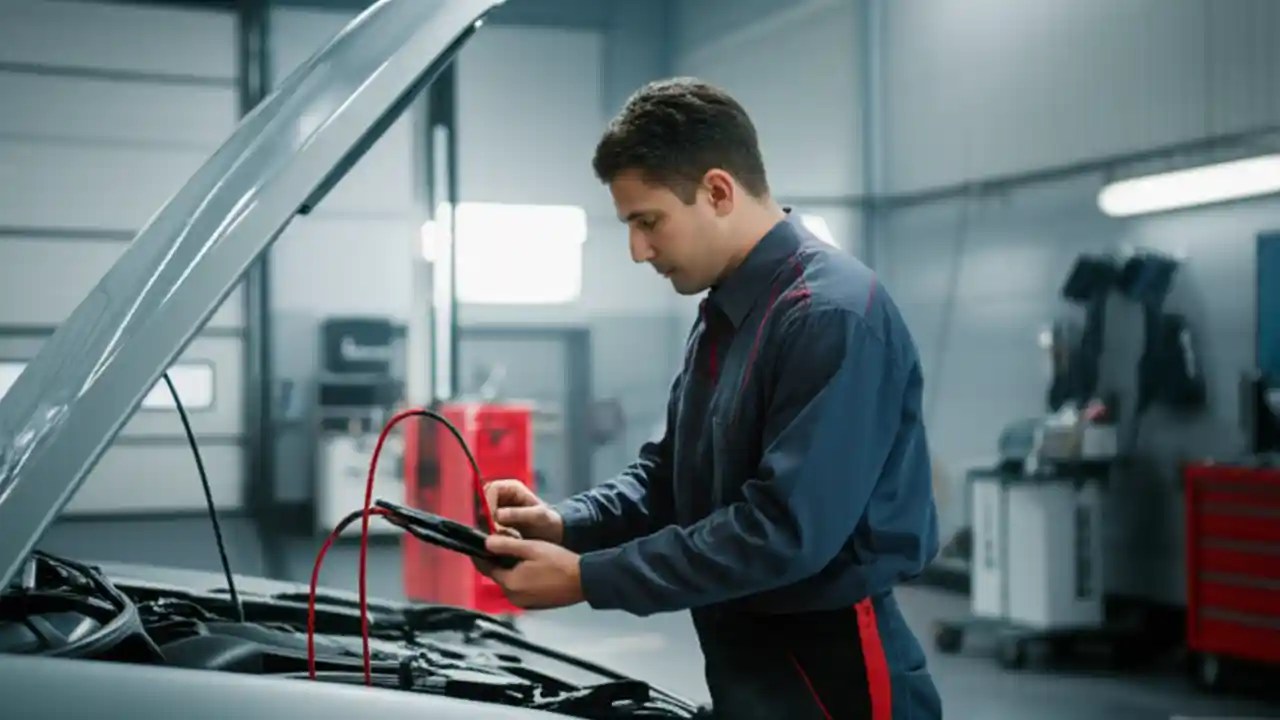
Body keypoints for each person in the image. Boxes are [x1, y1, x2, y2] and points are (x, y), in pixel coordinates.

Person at [475, 77, 943, 720]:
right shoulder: (729, 309)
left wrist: (588, 578)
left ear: (718, 191)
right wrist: (565, 523)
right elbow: (674, 478)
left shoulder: (827, 315)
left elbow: (782, 530)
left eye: (648, 221)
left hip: (832, 670)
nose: (638, 250)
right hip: (747, 651)